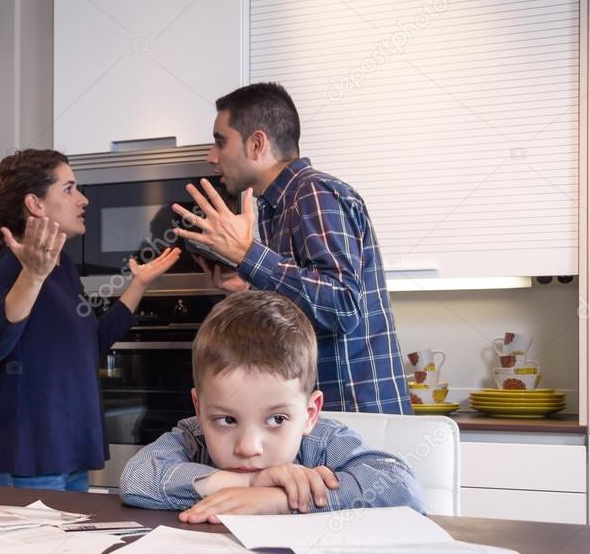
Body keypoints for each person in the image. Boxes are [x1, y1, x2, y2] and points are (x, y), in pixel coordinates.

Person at [172, 83, 411, 414]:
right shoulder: (275, 207)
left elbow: (342, 305)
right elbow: (309, 307)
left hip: (356, 416)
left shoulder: (313, 192)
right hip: (325, 416)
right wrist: (249, 285)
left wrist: (247, 255)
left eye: (220, 141)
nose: (211, 156)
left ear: (257, 144)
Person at [0, 149, 180, 491]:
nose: (82, 199)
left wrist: (139, 284)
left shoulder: (63, 270)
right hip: (28, 463)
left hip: (69, 459)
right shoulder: (13, 265)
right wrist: (32, 276)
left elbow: (93, 342)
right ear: (36, 204)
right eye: (69, 189)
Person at [119, 290, 425, 521]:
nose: (249, 447)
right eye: (226, 420)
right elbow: (136, 479)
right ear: (199, 409)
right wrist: (249, 482)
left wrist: (278, 500)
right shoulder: (192, 435)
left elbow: (401, 488)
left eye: (277, 419)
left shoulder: (324, 441)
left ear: (310, 414)